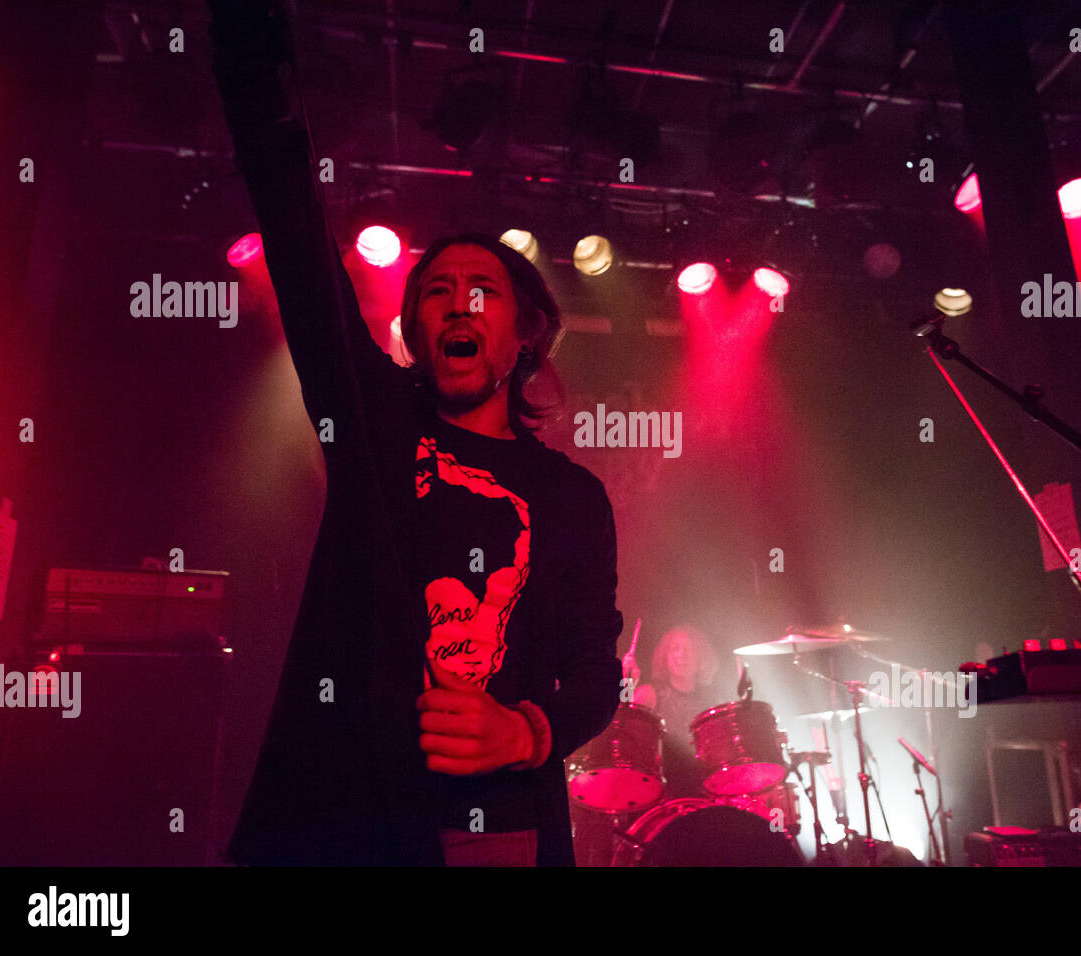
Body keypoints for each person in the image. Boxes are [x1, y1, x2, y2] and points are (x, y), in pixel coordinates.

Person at [208, 0, 623, 866]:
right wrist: (253, 56)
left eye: (483, 290)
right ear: (416, 333)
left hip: (495, 823)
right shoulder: (376, 427)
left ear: (525, 337)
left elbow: (595, 671)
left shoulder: (572, 498)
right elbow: (296, 238)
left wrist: (525, 733)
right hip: (340, 814)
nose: (458, 302)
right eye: (436, 291)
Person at [634, 625, 724, 797]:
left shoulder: (714, 700)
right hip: (660, 792)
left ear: (701, 659)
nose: (682, 654)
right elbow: (623, 724)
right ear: (665, 656)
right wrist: (627, 683)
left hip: (706, 792)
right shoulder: (649, 694)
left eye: (690, 650)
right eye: (675, 648)